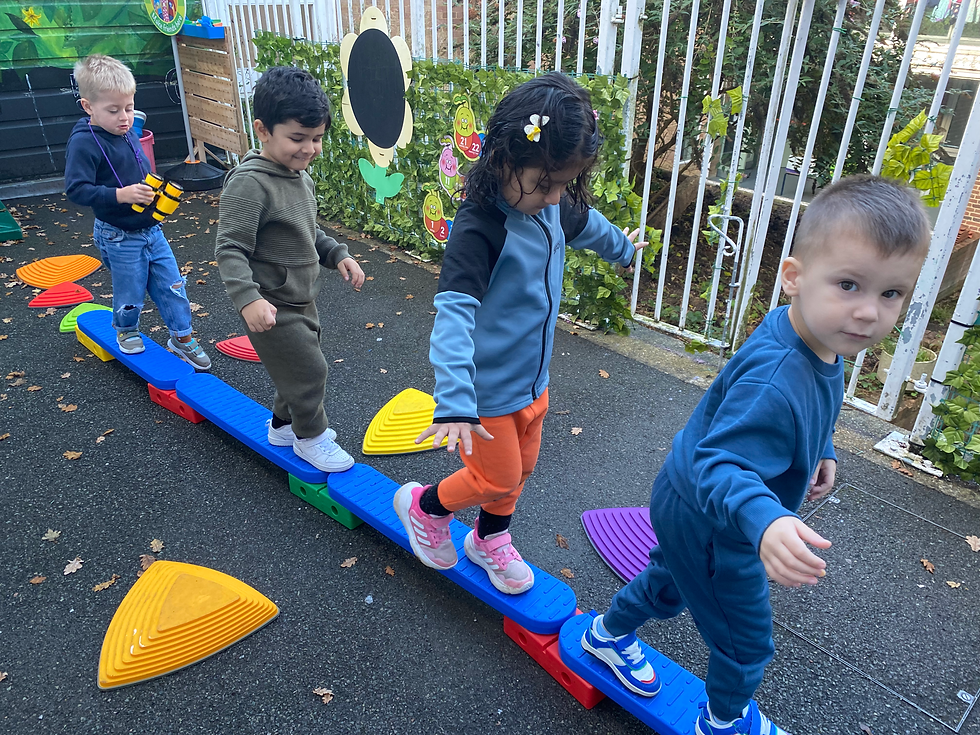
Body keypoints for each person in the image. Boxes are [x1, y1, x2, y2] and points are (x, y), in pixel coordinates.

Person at [582, 175, 930, 734]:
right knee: (745, 641)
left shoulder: (815, 333)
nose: (870, 312)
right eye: (849, 284)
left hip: (688, 496)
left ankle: (606, 634)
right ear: (793, 277)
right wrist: (765, 519)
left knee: (672, 580)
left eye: (891, 293)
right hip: (718, 516)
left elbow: (810, 407)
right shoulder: (777, 376)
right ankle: (721, 723)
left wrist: (821, 447)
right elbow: (721, 461)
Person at [393, 73, 647, 595]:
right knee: (496, 477)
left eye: (563, 186)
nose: (554, 198)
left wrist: (622, 249)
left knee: (521, 469)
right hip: (485, 391)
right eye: (545, 184)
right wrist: (455, 399)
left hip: (533, 384)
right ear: (505, 158)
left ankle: (488, 539)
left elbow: (586, 223)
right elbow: (453, 314)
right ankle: (424, 506)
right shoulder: (480, 226)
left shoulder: (548, 199)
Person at [215, 66, 364, 473]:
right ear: (263, 130)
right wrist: (248, 300)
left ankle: (283, 427)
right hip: (271, 304)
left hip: (301, 298)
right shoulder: (250, 184)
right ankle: (310, 437)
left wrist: (337, 254)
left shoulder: (299, 177)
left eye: (317, 138)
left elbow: (307, 230)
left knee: (295, 369)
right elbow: (230, 248)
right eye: (298, 138)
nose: (309, 149)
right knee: (310, 370)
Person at [65, 54, 211, 370]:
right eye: (113, 110)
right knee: (130, 290)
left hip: (150, 229)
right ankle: (127, 330)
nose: (124, 118)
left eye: (129, 108)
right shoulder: (84, 143)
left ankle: (182, 337)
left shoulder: (127, 130)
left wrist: (152, 194)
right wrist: (121, 195)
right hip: (117, 233)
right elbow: (76, 189)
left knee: (172, 285)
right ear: (88, 106)